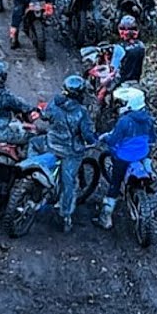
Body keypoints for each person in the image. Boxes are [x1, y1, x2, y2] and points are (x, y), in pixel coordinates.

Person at [96, 86, 156, 229]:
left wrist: (105, 138)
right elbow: (153, 138)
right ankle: (150, 173)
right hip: (143, 153)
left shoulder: (125, 121)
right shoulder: (148, 119)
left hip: (124, 157)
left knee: (114, 185)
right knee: (147, 157)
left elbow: (113, 140)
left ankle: (105, 218)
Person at [42, 75, 97, 233]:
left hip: (51, 143)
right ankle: (65, 215)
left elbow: (45, 115)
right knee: (69, 184)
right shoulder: (81, 112)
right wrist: (94, 139)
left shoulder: (55, 102)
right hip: (70, 151)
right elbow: (87, 135)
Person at [110, 15, 146, 85]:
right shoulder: (141, 45)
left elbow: (113, 71)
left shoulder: (119, 48)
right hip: (136, 83)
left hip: (122, 84)